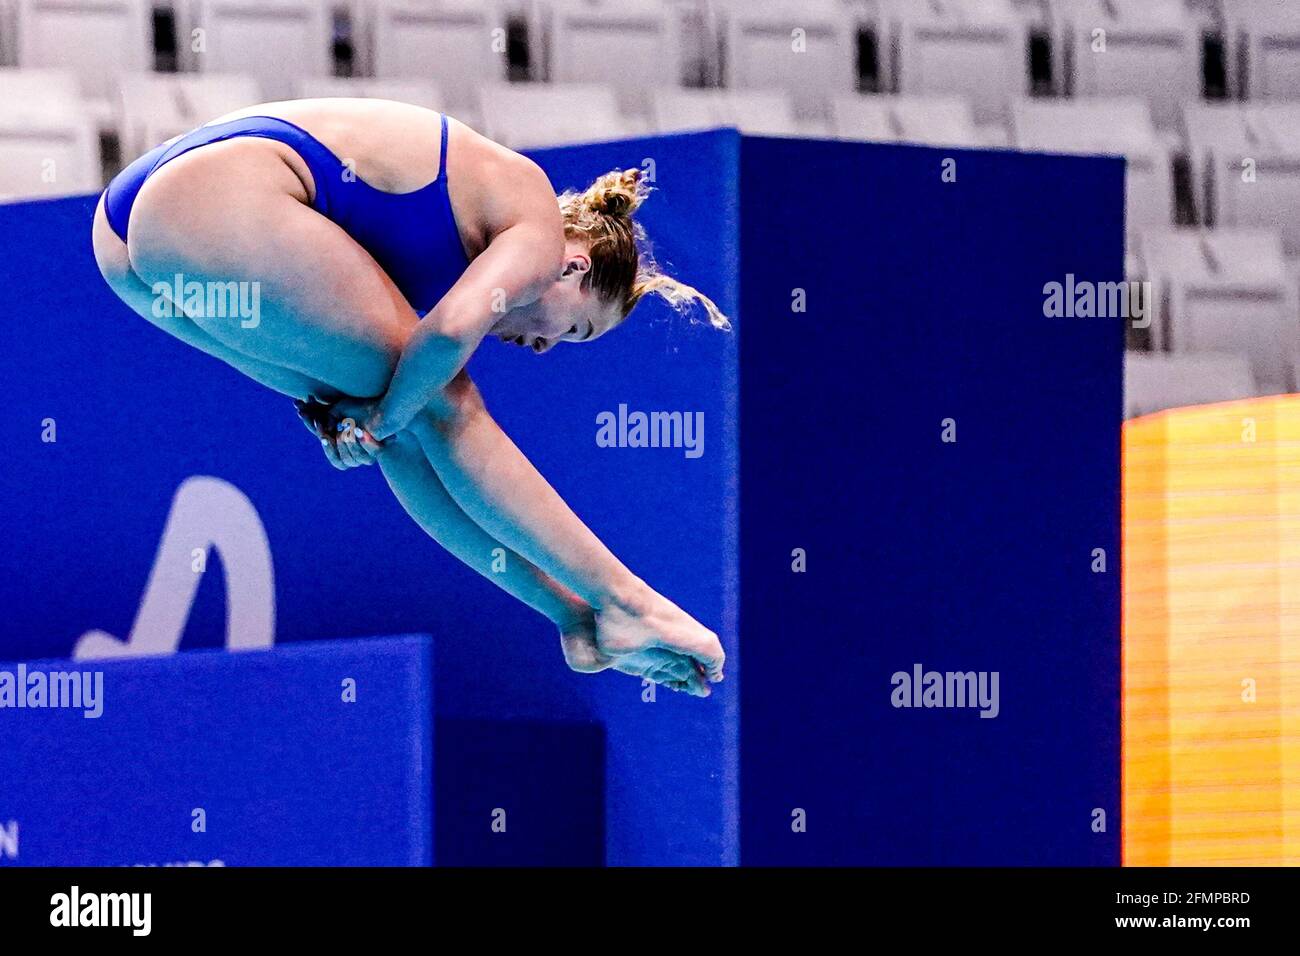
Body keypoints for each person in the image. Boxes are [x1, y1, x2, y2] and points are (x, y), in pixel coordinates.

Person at [91, 98, 727, 695]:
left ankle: (576, 618)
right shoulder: (535, 229)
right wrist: (385, 415)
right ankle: (627, 599)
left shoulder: (466, 241)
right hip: (211, 198)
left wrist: (350, 418)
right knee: (447, 402)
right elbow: (447, 334)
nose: (545, 347)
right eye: (575, 329)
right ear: (575, 267)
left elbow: (336, 359)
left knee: (409, 422)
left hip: (128, 239)